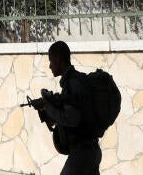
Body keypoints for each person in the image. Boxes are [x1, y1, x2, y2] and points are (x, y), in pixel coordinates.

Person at [33, 41, 101, 175]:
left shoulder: (72, 83)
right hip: (91, 150)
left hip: (82, 153)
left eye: (51, 61)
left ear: (58, 60)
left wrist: (48, 108)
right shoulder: (76, 80)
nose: (50, 66)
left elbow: (72, 119)